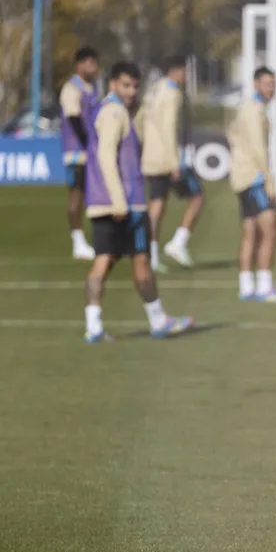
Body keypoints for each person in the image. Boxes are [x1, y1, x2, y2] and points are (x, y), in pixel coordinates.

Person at [82, 62, 193, 343]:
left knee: (103, 261)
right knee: (141, 260)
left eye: (134, 86)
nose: (131, 92)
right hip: (126, 203)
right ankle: (158, 320)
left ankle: (94, 326)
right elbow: (107, 156)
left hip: (102, 201)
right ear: (112, 84)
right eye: (125, 85)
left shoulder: (111, 110)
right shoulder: (115, 112)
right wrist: (120, 200)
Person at [228, 67, 276, 302]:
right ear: (255, 84)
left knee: (250, 231)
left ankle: (246, 287)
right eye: (266, 83)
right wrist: (269, 181)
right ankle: (263, 287)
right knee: (270, 229)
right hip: (254, 178)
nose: (270, 88)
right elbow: (258, 149)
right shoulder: (254, 111)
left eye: (273, 84)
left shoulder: (248, 108)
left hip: (243, 176)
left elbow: (232, 133)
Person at [139, 55, 203, 271]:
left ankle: (151, 256)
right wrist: (174, 162)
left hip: (151, 155)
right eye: (184, 72)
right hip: (167, 158)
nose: (185, 77)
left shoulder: (153, 89)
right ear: (176, 71)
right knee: (197, 198)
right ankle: (178, 243)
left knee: (157, 204)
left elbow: (140, 119)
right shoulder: (173, 93)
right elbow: (168, 128)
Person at [60, 47, 99, 261]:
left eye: (94, 62)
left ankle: (87, 240)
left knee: (87, 194)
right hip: (77, 152)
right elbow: (74, 119)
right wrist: (88, 145)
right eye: (89, 62)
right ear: (79, 65)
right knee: (76, 194)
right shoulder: (71, 88)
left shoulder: (91, 88)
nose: (93, 66)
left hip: (88, 151)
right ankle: (78, 242)